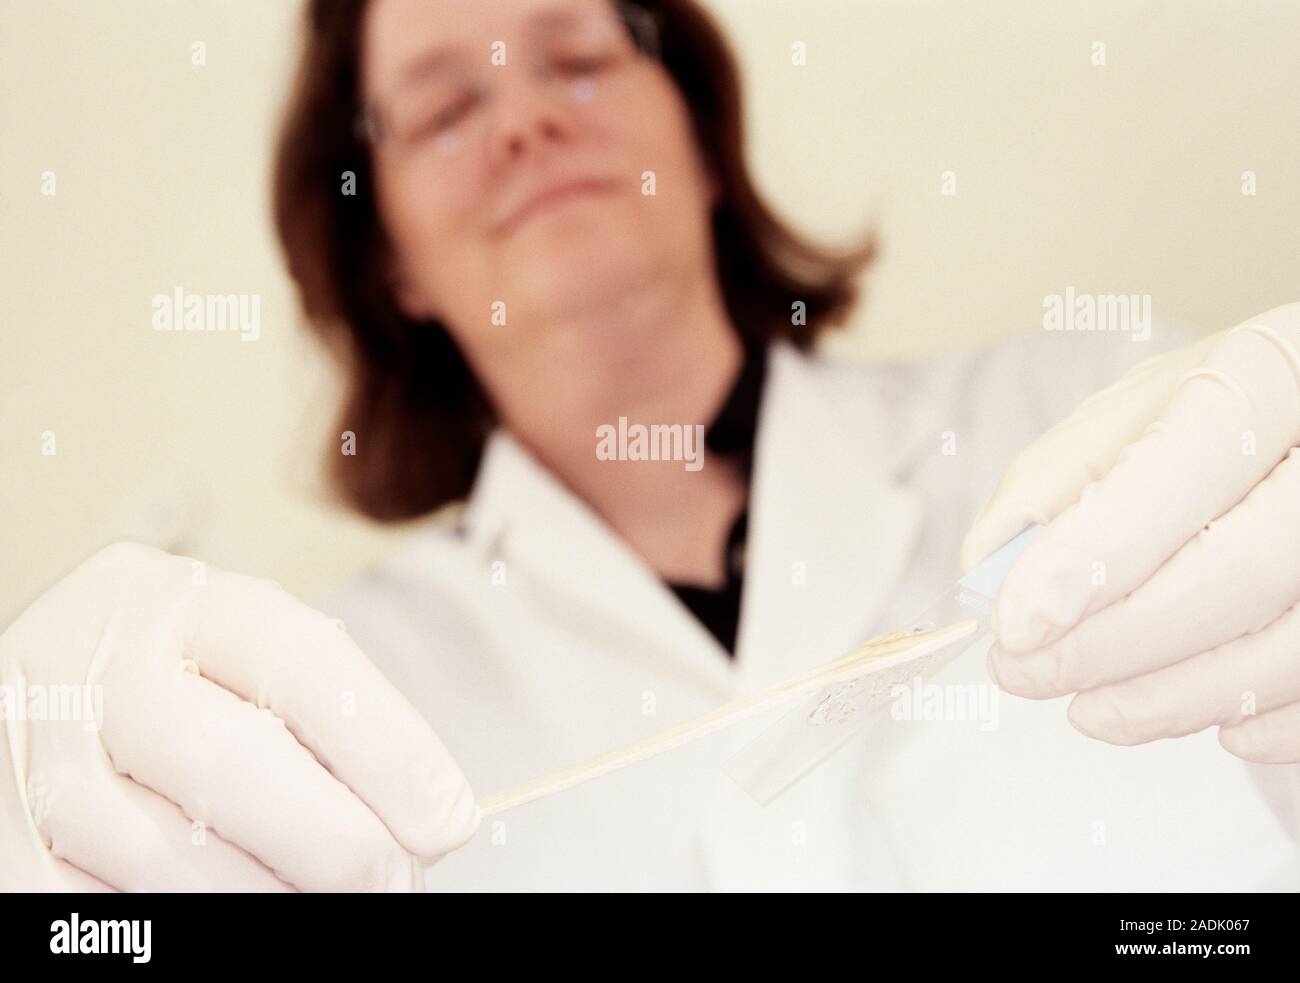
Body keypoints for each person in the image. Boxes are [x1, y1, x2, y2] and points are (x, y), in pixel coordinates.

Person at [2, 0, 1297, 891]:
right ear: (387, 250)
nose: (522, 122)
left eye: (576, 57)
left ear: (701, 137)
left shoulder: (1100, 416)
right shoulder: (305, 715)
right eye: (445, 106)